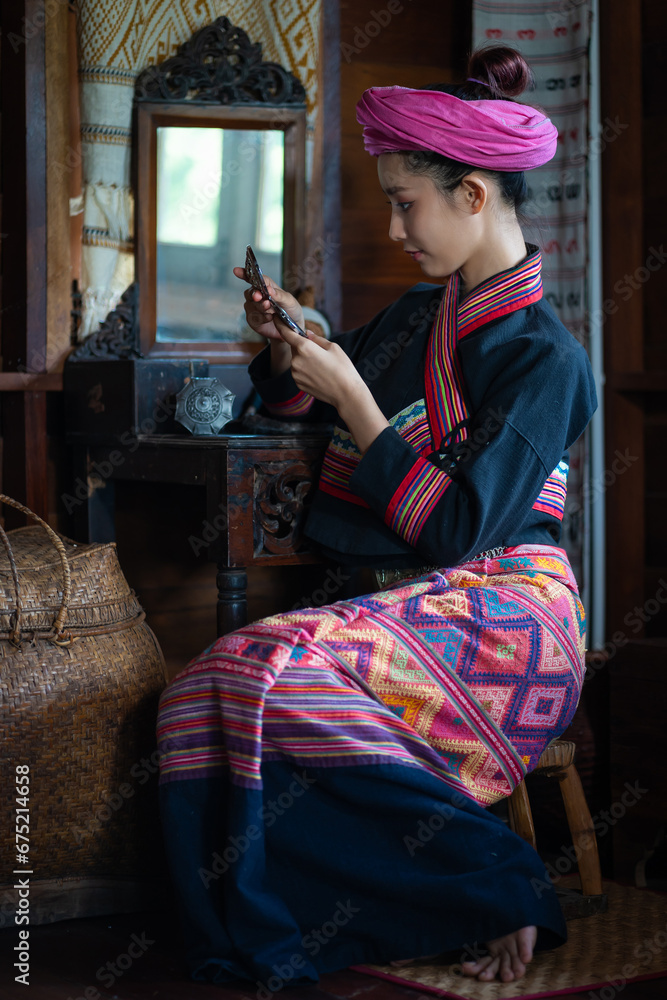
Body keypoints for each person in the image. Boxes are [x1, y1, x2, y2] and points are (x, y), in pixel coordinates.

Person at [157, 45, 597, 987]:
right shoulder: (410, 320)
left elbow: (458, 532)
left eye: (405, 203)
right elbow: (295, 403)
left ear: (471, 195)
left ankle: (498, 884)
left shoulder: (547, 360)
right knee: (200, 693)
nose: (395, 229)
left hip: (506, 619)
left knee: (264, 673)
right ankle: (269, 936)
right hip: (401, 608)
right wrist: (289, 344)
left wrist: (356, 399)